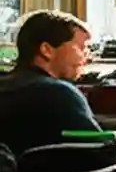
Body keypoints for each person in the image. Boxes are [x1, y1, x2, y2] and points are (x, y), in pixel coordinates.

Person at [0, 11, 100, 156]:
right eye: (81, 48)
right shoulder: (59, 94)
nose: (87, 57)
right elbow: (103, 154)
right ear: (46, 50)